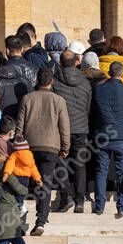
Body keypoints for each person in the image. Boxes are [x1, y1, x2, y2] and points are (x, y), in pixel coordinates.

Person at [14, 68, 70, 236]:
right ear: (51, 81)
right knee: (44, 184)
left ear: (37, 81)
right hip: (51, 147)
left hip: (29, 147)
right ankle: (41, 220)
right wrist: (65, 147)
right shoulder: (59, 100)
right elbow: (64, 127)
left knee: (22, 182)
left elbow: (20, 126)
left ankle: (19, 218)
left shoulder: (27, 98)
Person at [93, 61, 123, 217]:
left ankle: (99, 205)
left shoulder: (98, 90)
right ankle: (122, 206)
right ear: (122, 74)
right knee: (122, 172)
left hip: (103, 135)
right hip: (122, 136)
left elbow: (93, 112)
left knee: (101, 171)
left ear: (109, 73)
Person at [50, 49, 92, 213]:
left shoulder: (55, 82)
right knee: (80, 164)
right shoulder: (85, 82)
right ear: (76, 61)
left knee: (60, 161)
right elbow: (88, 106)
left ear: (60, 63)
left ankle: (66, 195)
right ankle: (80, 200)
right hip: (81, 127)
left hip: (61, 128)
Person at [0, 35, 37, 116]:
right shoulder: (34, 69)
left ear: (7, 51)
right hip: (24, 117)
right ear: (22, 49)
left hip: (1, 120)